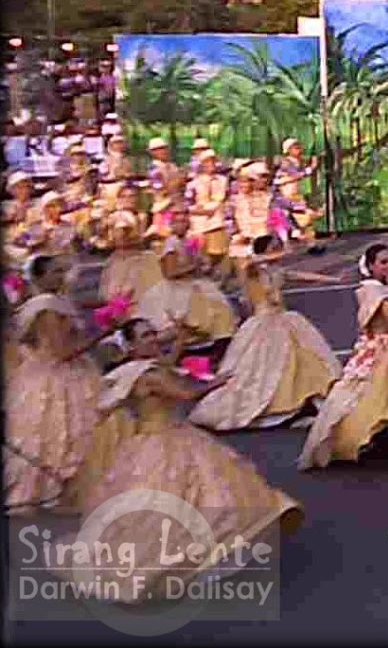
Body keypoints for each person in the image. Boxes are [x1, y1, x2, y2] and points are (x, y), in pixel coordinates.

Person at [62, 317, 303, 603]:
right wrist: (216, 382)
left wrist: (178, 342)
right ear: (132, 345)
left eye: (152, 333)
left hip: (149, 440)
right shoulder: (148, 375)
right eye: (145, 336)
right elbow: (185, 393)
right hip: (165, 441)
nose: (153, 338)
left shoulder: (130, 373)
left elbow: (166, 367)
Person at [298, 243, 388, 469]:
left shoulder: (381, 286)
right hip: (385, 349)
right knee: (384, 397)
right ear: (370, 266)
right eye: (383, 262)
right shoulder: (377, 293)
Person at [190, 235, 342, 431]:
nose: (277, 251)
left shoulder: (277, 271)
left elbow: (302, 276)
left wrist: (334, 279)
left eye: (277, 247)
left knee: (303, 361)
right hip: (262, 324)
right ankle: (272, 408)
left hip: (285, 319)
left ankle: (302, 403)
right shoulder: (252, 270)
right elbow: (251, 262)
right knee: (263, 370)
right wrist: (279, 253)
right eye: (272, 248)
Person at [3, 254, 116, 511]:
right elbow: (62, 353)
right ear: (40, 277)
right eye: (54, 272)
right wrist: (106, 333)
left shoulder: (55, 302)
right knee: (59, 432)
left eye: (61, 271)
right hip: (56, 378)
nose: (60, 276)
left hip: (56, 373)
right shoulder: (46, 308)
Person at [134, 206, 238, 352]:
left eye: (184, 221)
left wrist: (204, 266)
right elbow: (170, 273)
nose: (182, 225)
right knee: (196, 312)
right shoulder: (171, 244)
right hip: (177, 288)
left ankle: (218, 343)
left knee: (218, 306)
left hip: (191, 283)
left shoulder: (188, 241)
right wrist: (193, 267)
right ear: (172, 225)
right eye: (178, 222)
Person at [98, 184, 161, 306]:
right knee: (120, 292)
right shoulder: (119, 216)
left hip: (138, 258)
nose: (128, 199)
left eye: (132, 196)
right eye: (124, 196)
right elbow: (118, 240)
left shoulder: (141, 215)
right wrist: (144, 237)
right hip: (123, 259)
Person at [274, 137, 322, 248]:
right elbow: (295, 175)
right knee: (300, 216)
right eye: (295, 147)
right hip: (286, 195)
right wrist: (311, 168)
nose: (298, 149)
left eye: (298, 146)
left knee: (305, 220)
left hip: (295, 195)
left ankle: (310, 243)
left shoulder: (297, 162)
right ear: (289, 150)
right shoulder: (286, 163)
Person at [188, 148, 230, 273]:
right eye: (207, 162)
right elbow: (188, 204)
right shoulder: (194, 183)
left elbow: (225, 199)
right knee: (196, 239)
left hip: (218, 215)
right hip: (200, 217)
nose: (210, 165)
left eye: (213, 161)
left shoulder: (223, 181)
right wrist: (200, 211)